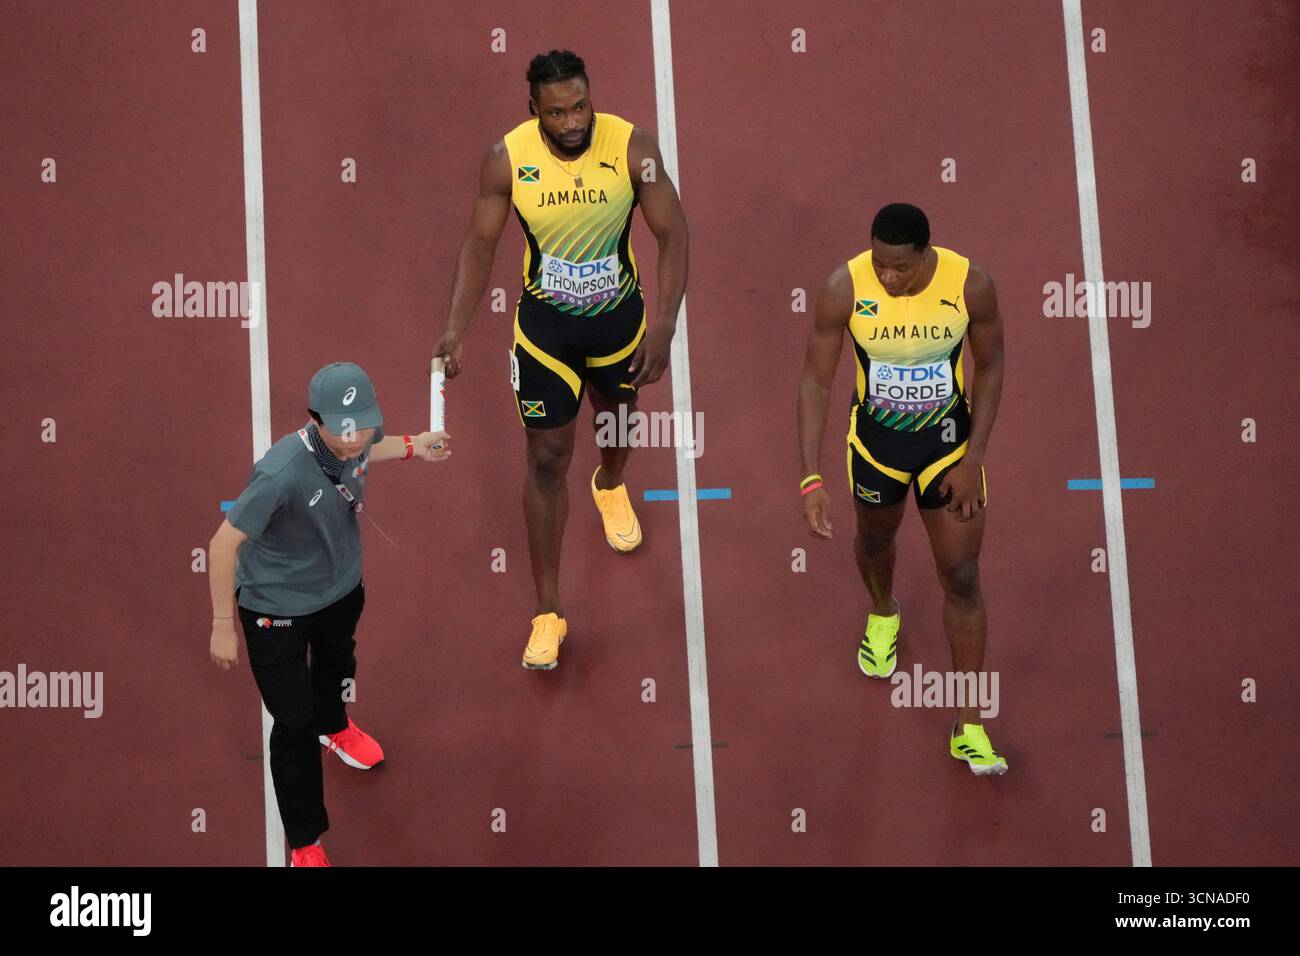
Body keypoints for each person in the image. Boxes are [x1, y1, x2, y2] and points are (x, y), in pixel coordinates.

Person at [434, 50, 688, 670]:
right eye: (557, 112)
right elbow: (480, 243)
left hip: (620, 328)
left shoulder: (632, 148)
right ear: (534, 111)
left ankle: (610, 484)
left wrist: (665, 325)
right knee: (546, 459)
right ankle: (548, 611)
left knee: (617, 425)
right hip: (545, 332)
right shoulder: (510, 158)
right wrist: (455, 329)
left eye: (580, 106)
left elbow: (674, 233)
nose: (573, 121)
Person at [208, 362, 450, 865]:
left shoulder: (357, 436)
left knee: (339, 666)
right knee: (293, 722)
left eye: (365, 422)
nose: (359, 435)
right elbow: (222, 544)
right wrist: (221, 625)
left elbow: (369, 450)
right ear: (317, 420)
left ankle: (336, 726)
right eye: (348, 427)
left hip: (340, 590)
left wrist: (414, 444)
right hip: (275, 611)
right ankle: (305, 841)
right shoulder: (280, 472)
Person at [796, 203, 1009, 775]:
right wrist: (811, 477)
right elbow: (816, 381)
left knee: (962, 577)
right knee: (874, 542)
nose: (888, 278)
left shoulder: (970, 284)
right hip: (875, 451)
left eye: (900, 269)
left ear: (925, 255)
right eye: (880, 265)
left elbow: (989, 366)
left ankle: (970, 724)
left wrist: (975, 457)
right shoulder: (845, 286)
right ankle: (883, 611)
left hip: (948, 451)